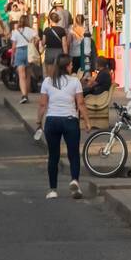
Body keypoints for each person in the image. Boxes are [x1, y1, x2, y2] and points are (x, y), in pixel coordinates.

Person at [37, 53, 91, 199]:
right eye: (71, 64)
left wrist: (38, 122)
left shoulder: (47, 81)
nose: (72, 66)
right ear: (67, 66)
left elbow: (42, 104)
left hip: (52, 121)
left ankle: (53, 190)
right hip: (70, 120)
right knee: (73, 154)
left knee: (53, 156)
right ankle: (75, 182)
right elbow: (80, 103)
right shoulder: (75, 82)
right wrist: (87, 121)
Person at [10, 13, 37, 103]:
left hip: (19, 52)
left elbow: (13, 46)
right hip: (29, 52)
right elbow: (36, 41)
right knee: (28, 75)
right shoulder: (31, 31)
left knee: (21, 76)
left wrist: (12, 58)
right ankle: (27, 95)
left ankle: (23, 95)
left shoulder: (15, 31)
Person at [41, 9, 68, 77]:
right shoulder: (62, 30)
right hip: (59, 52)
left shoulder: (46, 30)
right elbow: (64, 44)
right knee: (57, 70)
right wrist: (66, 54)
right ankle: (56, 84)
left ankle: (50, 84)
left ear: (50, 20)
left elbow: (43, 43)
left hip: (49, 51)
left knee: (49, 72)